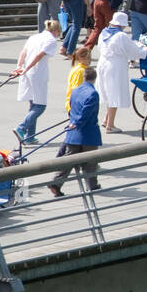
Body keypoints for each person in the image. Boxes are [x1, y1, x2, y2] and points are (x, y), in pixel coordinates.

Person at [49, 67, 102, 197]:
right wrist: (77, 123)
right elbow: (86, 113)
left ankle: (56, 183)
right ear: (94, 79)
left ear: (84, 77)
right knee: (90, 161)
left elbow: (71, 108)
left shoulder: (75, 91)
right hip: (87, 132)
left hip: (73, 134)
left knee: (69, 160)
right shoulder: (93, 93)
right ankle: (92, 185)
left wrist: (73, 123)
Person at [11, 20, 62, 145]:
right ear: (55, 31)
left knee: (33, 104)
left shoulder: (34, 37)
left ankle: (29, 136)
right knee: (40, 106)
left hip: (27, 73)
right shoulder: (51, 41)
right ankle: (21, 128)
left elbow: (23, 52)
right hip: (37, 74)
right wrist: (27, 68)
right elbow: (39, 55)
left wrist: (19, 66)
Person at [95, 13, 146, 134]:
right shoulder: (121, 36)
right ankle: (110, 125)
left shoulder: (104, 33)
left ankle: (106, 120)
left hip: (103, 63)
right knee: (114, 93)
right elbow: (133, 52)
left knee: (107, 91)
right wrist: (144, 51)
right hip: (115, 65)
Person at [65, 47, 92, 112]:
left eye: (90, 57)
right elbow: (77, 89)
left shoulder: (76, 68)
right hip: (76, 105)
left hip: (73, 104)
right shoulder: (81, 71)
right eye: (87, 58)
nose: (90, 60)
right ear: (79, 59)